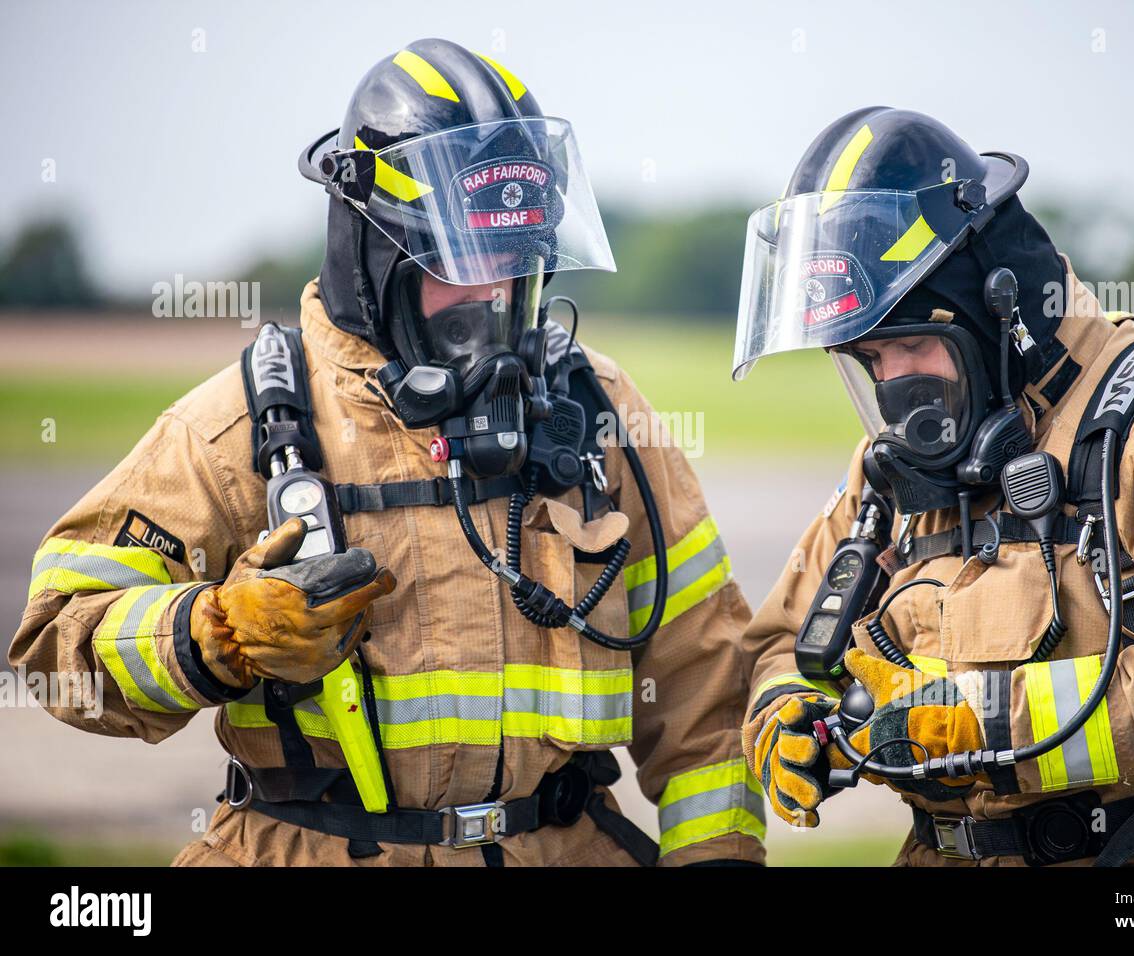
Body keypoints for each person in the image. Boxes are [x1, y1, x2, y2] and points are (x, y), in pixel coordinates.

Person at [11, 38, 765, 867]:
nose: (491, 296)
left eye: (514, 263)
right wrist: (213, 632)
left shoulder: (595, 412)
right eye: (460, 261)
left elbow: (705, 689)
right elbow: (56, 646)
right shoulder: (238, 429)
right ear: (372, 255)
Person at [736, 106, 1134, 866]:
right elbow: (779, 639)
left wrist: (981, 726)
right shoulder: (897, 463)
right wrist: (786, 712)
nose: (895, 386)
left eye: (912, 344)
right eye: (870, 360)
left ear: (1000, 314)